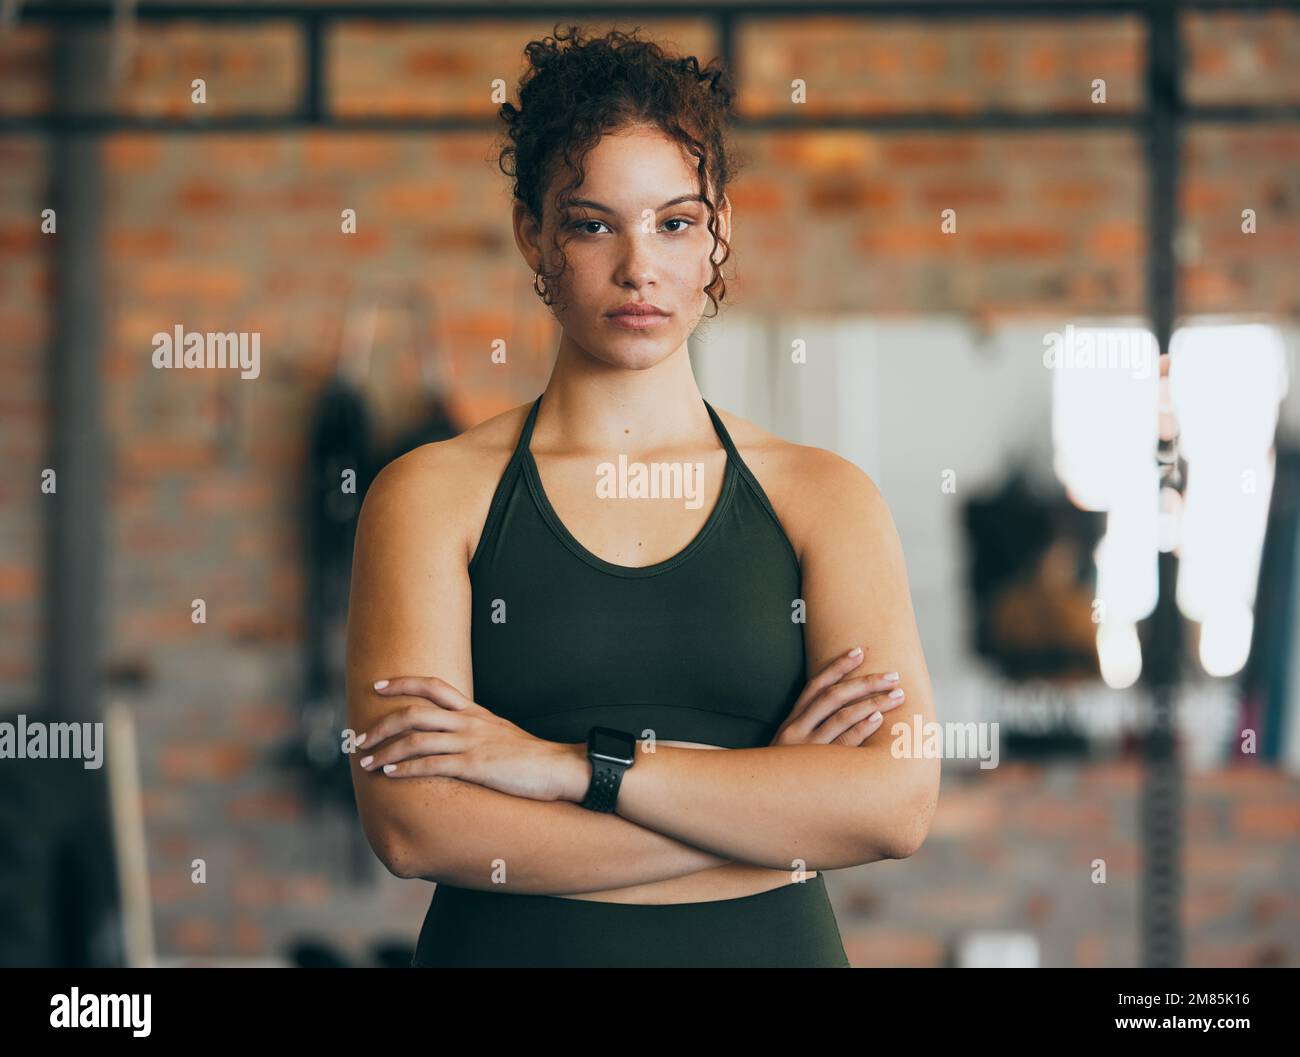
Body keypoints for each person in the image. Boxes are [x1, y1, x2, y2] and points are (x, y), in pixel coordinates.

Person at [345, 24, 939, 968]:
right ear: (532, 235)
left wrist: (561, 769)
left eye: (675, 222)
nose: (639, 268)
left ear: (721, 232)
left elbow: (897, 806)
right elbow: (416, 828)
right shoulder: (428, 496)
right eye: (592, 223)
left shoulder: (825, 498)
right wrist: (767, 809)